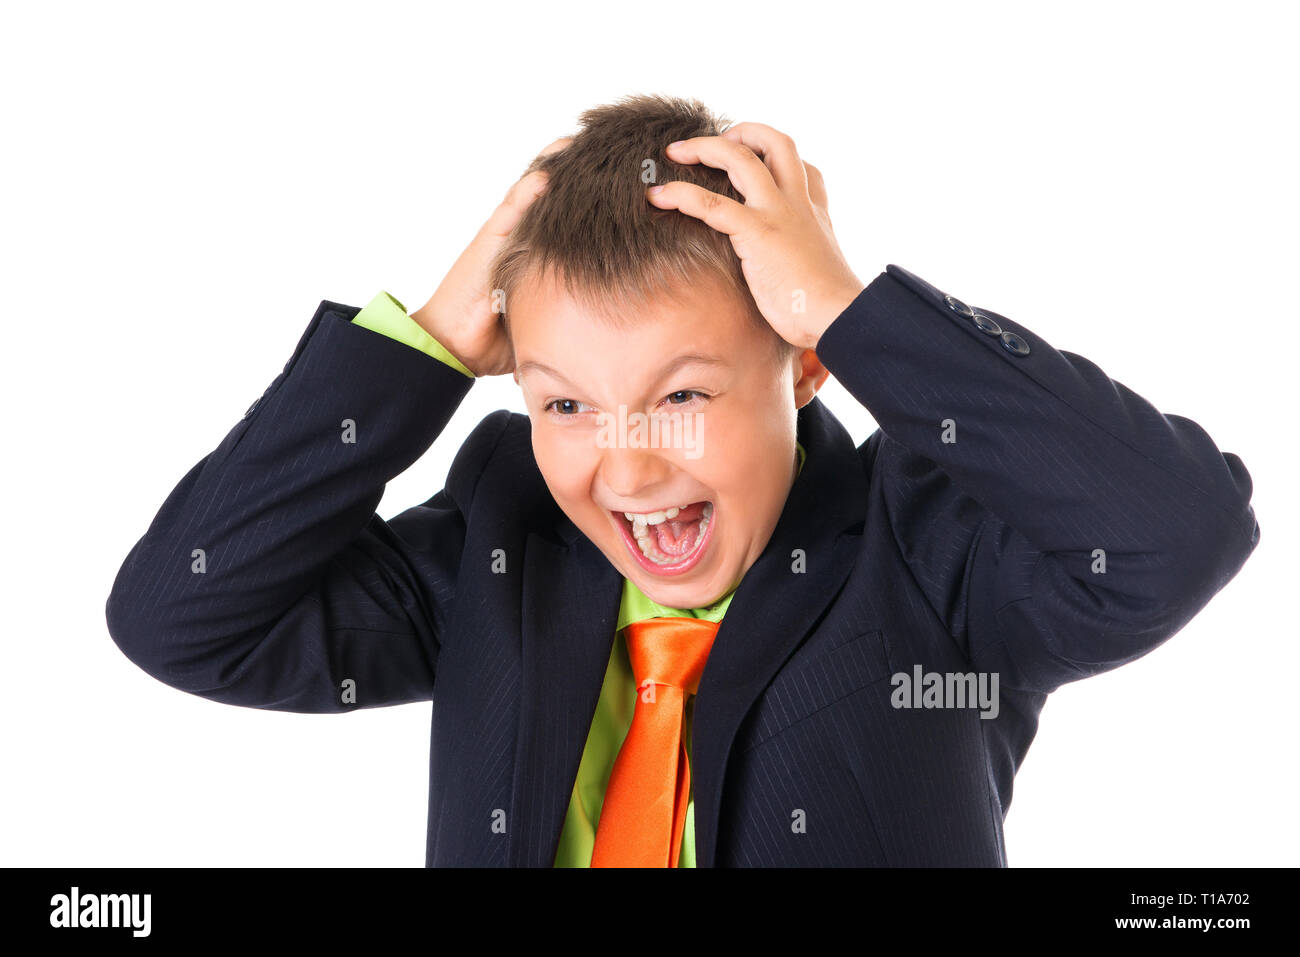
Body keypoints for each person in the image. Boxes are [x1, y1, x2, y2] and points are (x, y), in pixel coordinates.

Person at [105, 94, 1260, 867]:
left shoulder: (929, 561)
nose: (627, 464)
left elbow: (1178, 527)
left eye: (682, 396)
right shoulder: (504, 549)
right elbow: (181, 617)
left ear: (803, 369)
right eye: (563, 402)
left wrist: (859, 315)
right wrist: (425, 349)